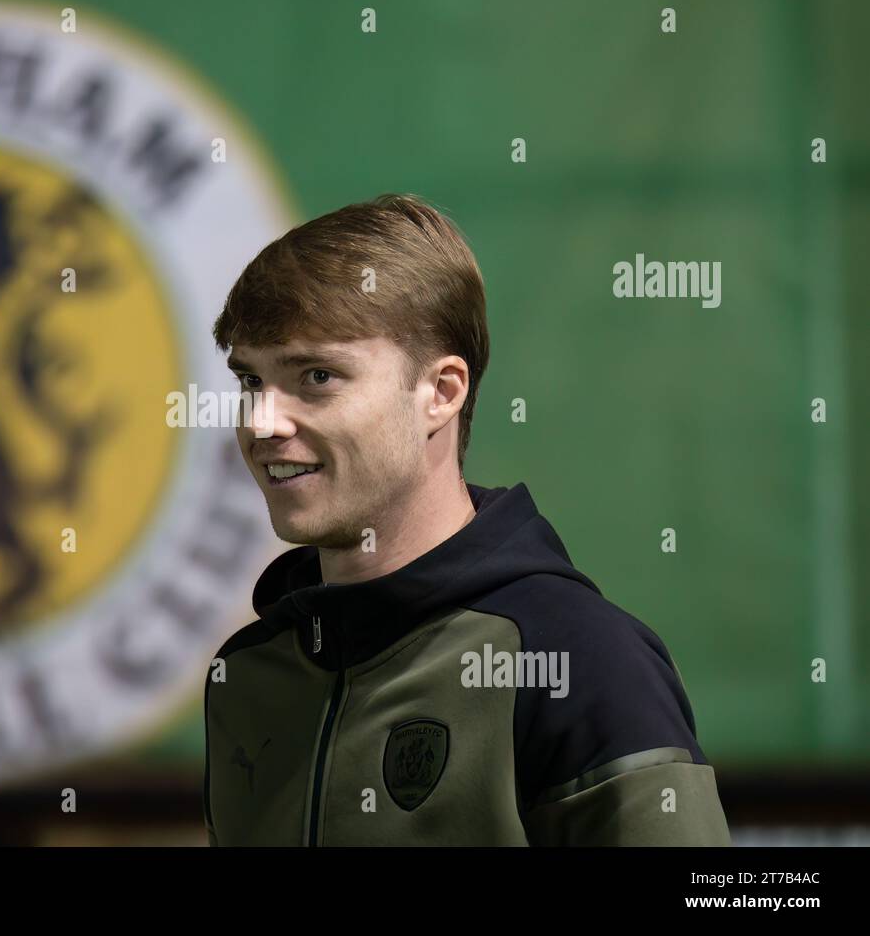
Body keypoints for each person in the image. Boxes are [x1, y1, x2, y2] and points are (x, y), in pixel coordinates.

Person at [202, 193, 731, 845]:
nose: (261, 424)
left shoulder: (580, 660)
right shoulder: (248, 675)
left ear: (441, 392)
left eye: (317, 376)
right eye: (251, 381)